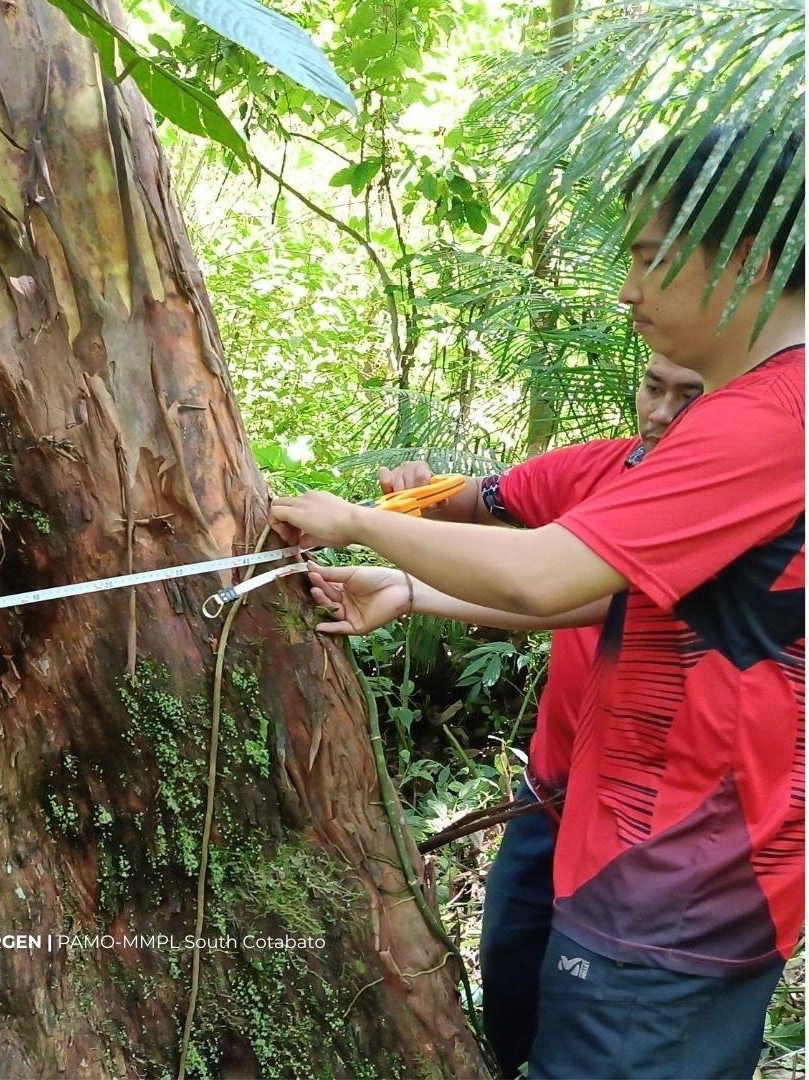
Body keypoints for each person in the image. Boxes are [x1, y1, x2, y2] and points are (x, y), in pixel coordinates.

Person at [273, 123, 804, 1078]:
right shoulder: (736, 419)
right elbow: (605, 598)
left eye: (649, 257)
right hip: (633, 845)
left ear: (749, 258)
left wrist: (355, 517)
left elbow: (544, 574)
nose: (628, 290)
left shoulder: (774, 420)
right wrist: (407, 565)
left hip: (680, 882)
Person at [344, 353, 703, 1078]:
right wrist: (422, 497)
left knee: (603, 1032)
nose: (660, 413)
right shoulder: (603, 468)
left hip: (657, 828)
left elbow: (565, 589)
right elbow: (474, 503)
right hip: (550, 791)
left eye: (689, 396)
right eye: (652, 387)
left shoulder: (732, 507)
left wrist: (368, 542)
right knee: (512, 978)